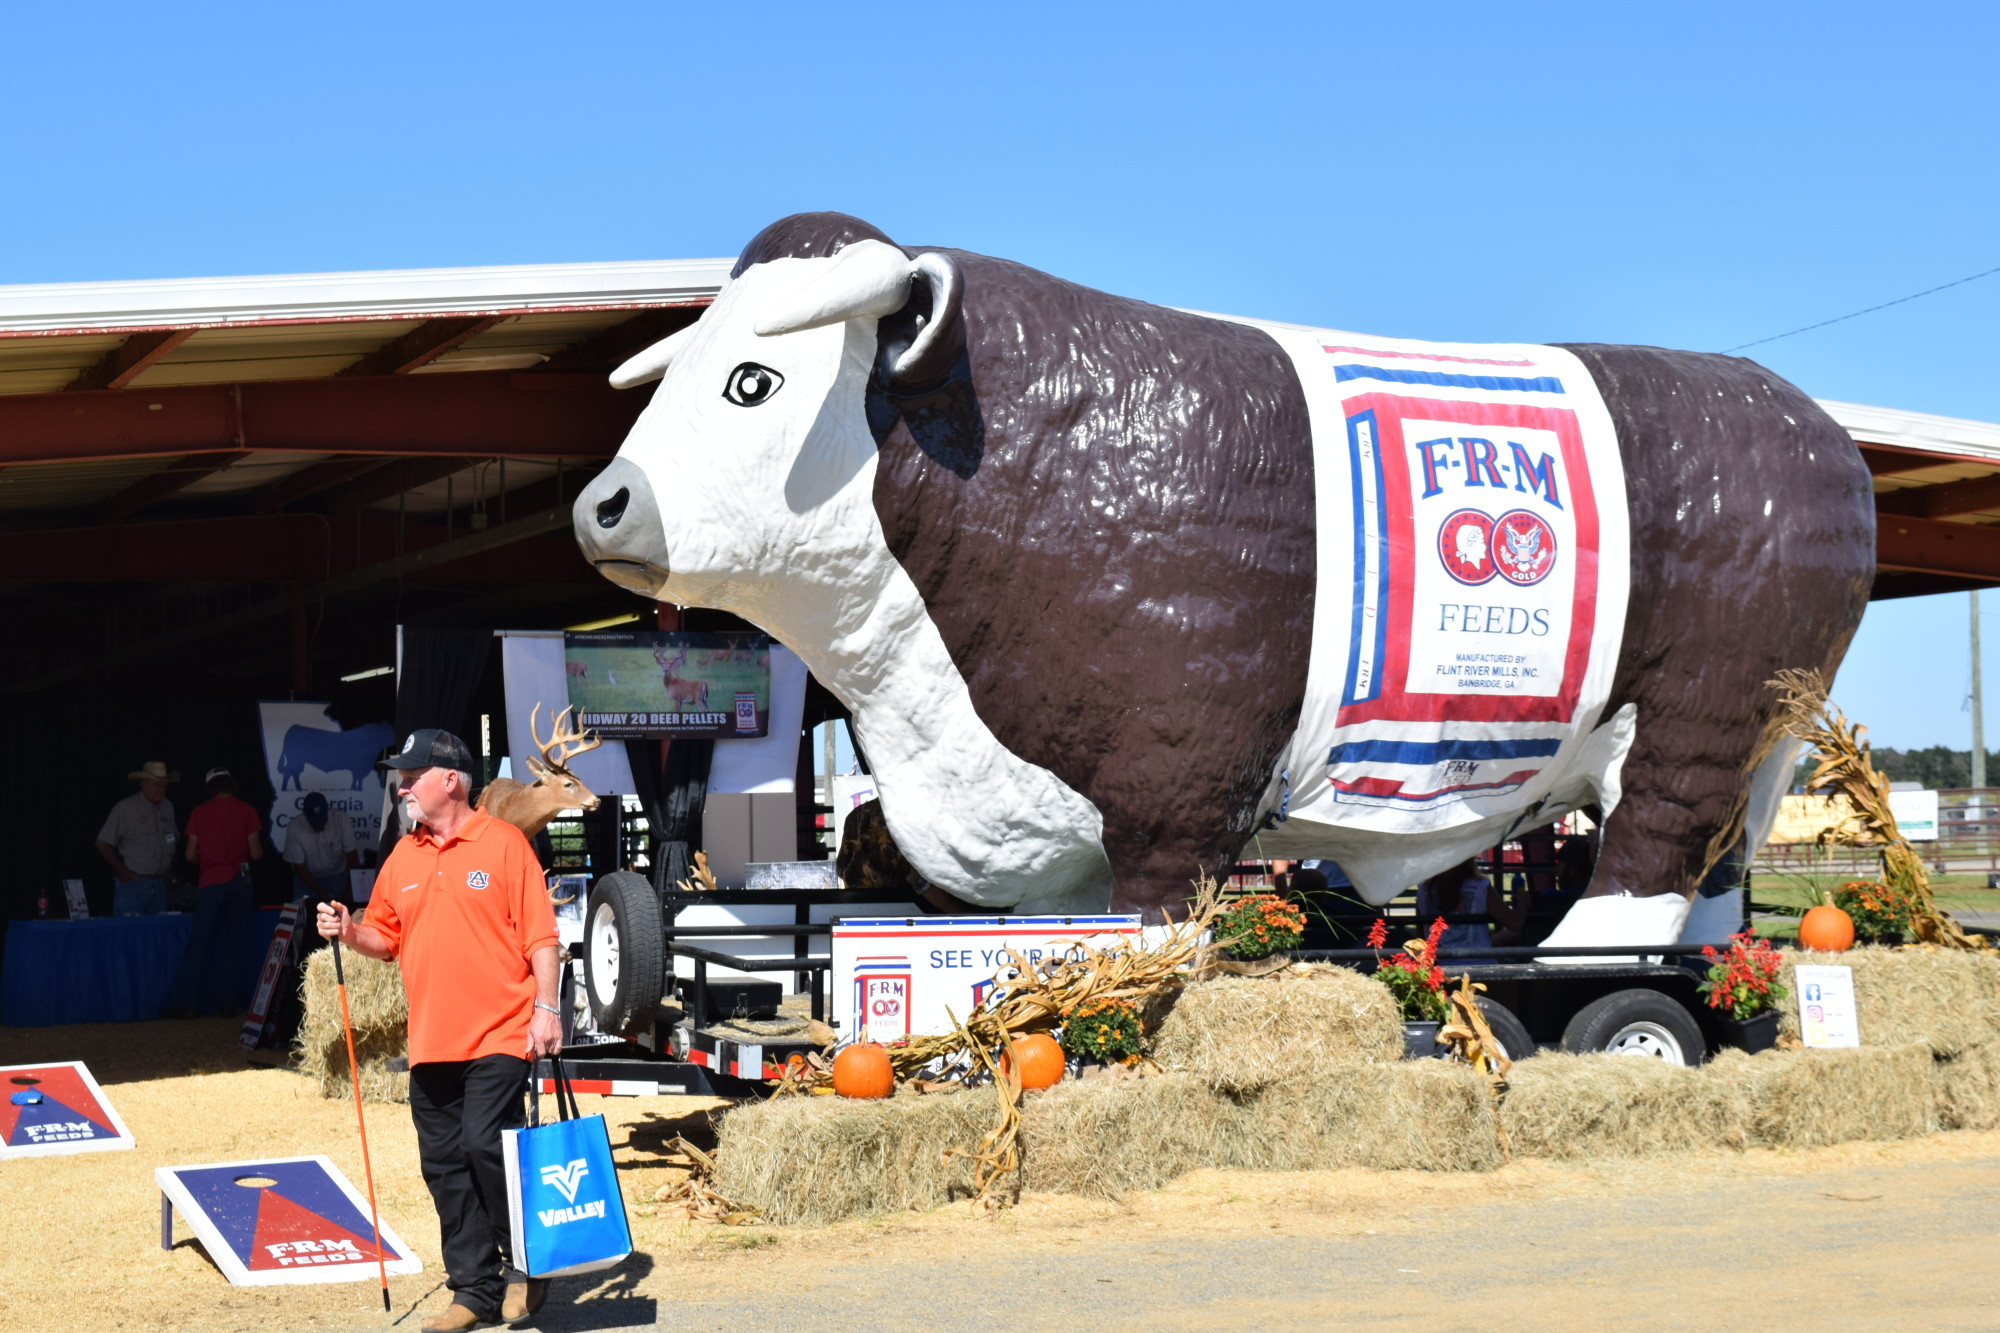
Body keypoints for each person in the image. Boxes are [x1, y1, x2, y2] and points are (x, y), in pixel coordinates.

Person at [317, 728, 561, 1332]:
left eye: (410, 774)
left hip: (502, 1032)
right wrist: (349, 930)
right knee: (445, 1166)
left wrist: (548, 1010)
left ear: (448, 779)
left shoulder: (504, 845)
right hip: (430, 1042)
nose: (400, 785)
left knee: (484, 1143)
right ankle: (473, 1292)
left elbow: (542, 939)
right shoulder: (403, 854)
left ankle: (529, 1262)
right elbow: (385, 938)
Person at [172, 767, 264, 1016]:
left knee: (200, 944)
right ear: (231, 784)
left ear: (210, 787)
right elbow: (256, 853)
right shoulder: (247, 810)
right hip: (240, 883)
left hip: (210, 882)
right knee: (235, 945)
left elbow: (190, 854)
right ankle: (228, 1004)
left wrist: (210, 860)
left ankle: (189, 1004)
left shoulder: (199, 813)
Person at [95, 760, 180, 915]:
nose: (161, 790)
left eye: (164, 785)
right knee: (128, 933)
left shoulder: (168, 807)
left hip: (160, 884)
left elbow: (172, 838)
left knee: (156, 934)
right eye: (156, 785)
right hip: (134, 885)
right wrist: (123, 872)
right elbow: (102, 843)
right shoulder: (126, 808)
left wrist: (170, 866)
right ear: (143, 784)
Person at [1416, 858, 1527, 955]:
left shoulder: (1424, 890)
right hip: (1478, 961)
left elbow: (1420, 937)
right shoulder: (1480, 887)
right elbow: (1515, 923)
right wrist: (1523, 902)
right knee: (1513, 937)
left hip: (1439, 964)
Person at [284, 792, 358, 906]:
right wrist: (321, 891)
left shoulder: (341, 819)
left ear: (327, 811)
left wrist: (349, 889)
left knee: (343, 916)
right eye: (315, 822)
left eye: (322, 820)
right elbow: (299, 867)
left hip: (339, 877)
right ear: (304, 814)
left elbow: (352, 856)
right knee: (302, 917)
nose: (319, 825)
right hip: (307, 880)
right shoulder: (295, 827)